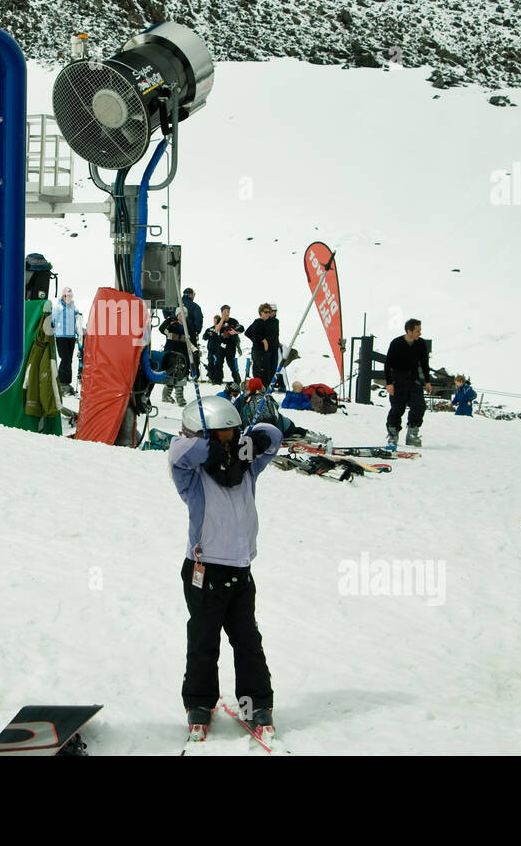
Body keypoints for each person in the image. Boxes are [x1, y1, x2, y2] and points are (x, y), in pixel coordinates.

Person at [168, 396, 281, 740]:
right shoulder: (192, 472)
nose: (231, 440)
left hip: (240, 571)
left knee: (248, 641)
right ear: (206, 435)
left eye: (234, 433)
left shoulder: (248, 466)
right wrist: (214, 450)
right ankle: (200, 704)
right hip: (204, 571)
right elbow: (179, 450)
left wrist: (252, 442)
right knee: (203, 641)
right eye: (224, 435)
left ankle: (254, 704)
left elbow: (274, 434)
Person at [384, 318, 432, 447]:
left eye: (420, 330)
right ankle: (393, 435)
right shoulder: (396, 343)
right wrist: (389, 383)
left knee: (419, 406)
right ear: (409, 331)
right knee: (397, 408)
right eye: (417, 330)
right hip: (398, 380)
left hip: (414, 380)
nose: (420, 333)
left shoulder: (421, 344)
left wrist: (427, 381)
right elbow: (388, 364)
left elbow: (424, 363)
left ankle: (412, 433)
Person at [159, 306, 191, 406]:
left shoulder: (188, 327)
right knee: (170, 374)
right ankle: (166, 396)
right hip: (171, 353)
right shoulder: (171, 326)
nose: (182, 316)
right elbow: (161, 329)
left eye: (184, 314)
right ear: (177, 315)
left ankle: (180, 398)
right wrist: (169, 320)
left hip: (183, 354)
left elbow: (191, 341)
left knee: (181, 375)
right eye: (180, 314)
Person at [52, 287, 81, 395]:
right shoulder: (58, 307)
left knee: (69, 360)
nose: (68, 298)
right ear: (63, 296)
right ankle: (62, 383)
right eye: (66, 296)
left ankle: (66, 384)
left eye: (70, 296)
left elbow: (77, 322)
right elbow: (52, 321)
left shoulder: (74, 307)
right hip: (61, 337)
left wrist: (79, 334)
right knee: (65, 359)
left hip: (71, 337)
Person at [244, 304, 279, 388]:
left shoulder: (269, 322)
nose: (268, 314)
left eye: (269, 312)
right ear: (261, 312)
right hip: (260, 351)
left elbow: (249, 333)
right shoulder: (258, 322)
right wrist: (263, 341)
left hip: (265, 351)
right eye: (266, 312)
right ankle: (260, 392)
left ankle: (262, 391)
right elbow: (251, 333)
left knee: (266, 372)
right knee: (262, 374)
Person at [217, 306, 242, 388]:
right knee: (219, 362)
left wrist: (234, 332)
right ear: (222, 312)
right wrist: (222, 319)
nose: (227, 312)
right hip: (221, 344)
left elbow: (241, 329)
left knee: (231, 362)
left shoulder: (233, 321)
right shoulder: (219, 320)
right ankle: (218, 379)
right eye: (225, 311)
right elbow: (217, 329)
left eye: (228, 311)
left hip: (231, 345)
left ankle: (237, 380)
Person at [181, 288, 204, 373]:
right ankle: (194, 372)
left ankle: (181, 372)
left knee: (179, 352)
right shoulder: (195, 306)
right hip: (190, 334)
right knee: (193, 353)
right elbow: (198, 320)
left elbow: (167, 311)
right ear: (191, 295)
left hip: (176, 334)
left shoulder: (176, 304)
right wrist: (197, 330)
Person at [202, 315, 224, 384]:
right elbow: (204, 337)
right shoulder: (210, 329)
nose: (215, 322)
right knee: (210, 364)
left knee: (218, 365)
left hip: (219, 350)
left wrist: (213, 335)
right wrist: (208, 334)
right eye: (214, 320)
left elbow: (220, 339)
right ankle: (211, 378)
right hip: (211, 350)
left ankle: (218, 379)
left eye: (216, 321)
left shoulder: (222, 330)